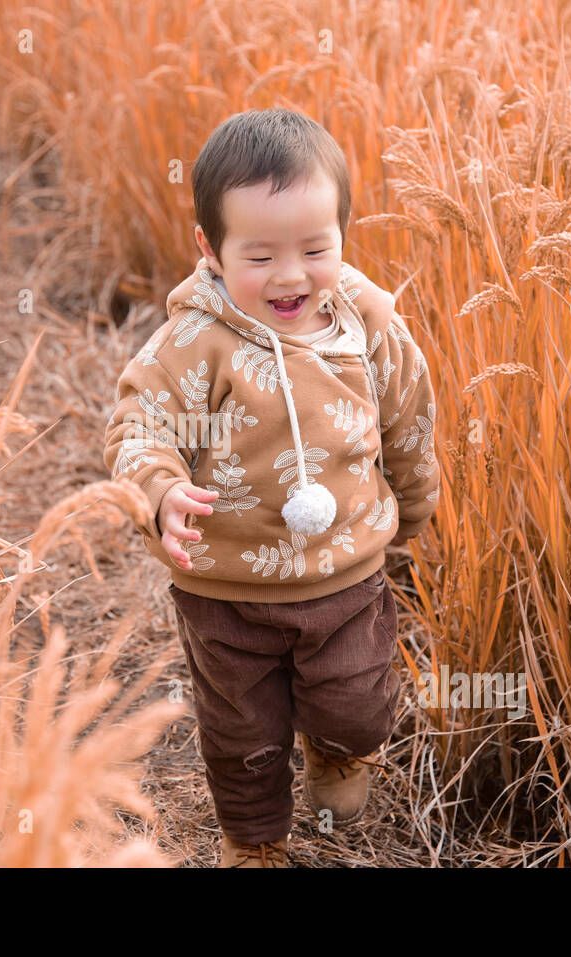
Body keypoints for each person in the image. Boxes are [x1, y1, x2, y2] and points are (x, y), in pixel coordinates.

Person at [102, 107, 441, 867]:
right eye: (259, 256)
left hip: (346, 575)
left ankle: (337, 749)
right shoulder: (196, 342)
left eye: (315, 249)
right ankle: (253, 839)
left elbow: (409, 423)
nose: (290, 275)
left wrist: (413, 509)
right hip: (226, 591)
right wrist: (159, 491)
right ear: (210, 249)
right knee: (242, 734)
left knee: (358, 705)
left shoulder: (370, 332)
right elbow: (139, 426)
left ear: (343, 236)